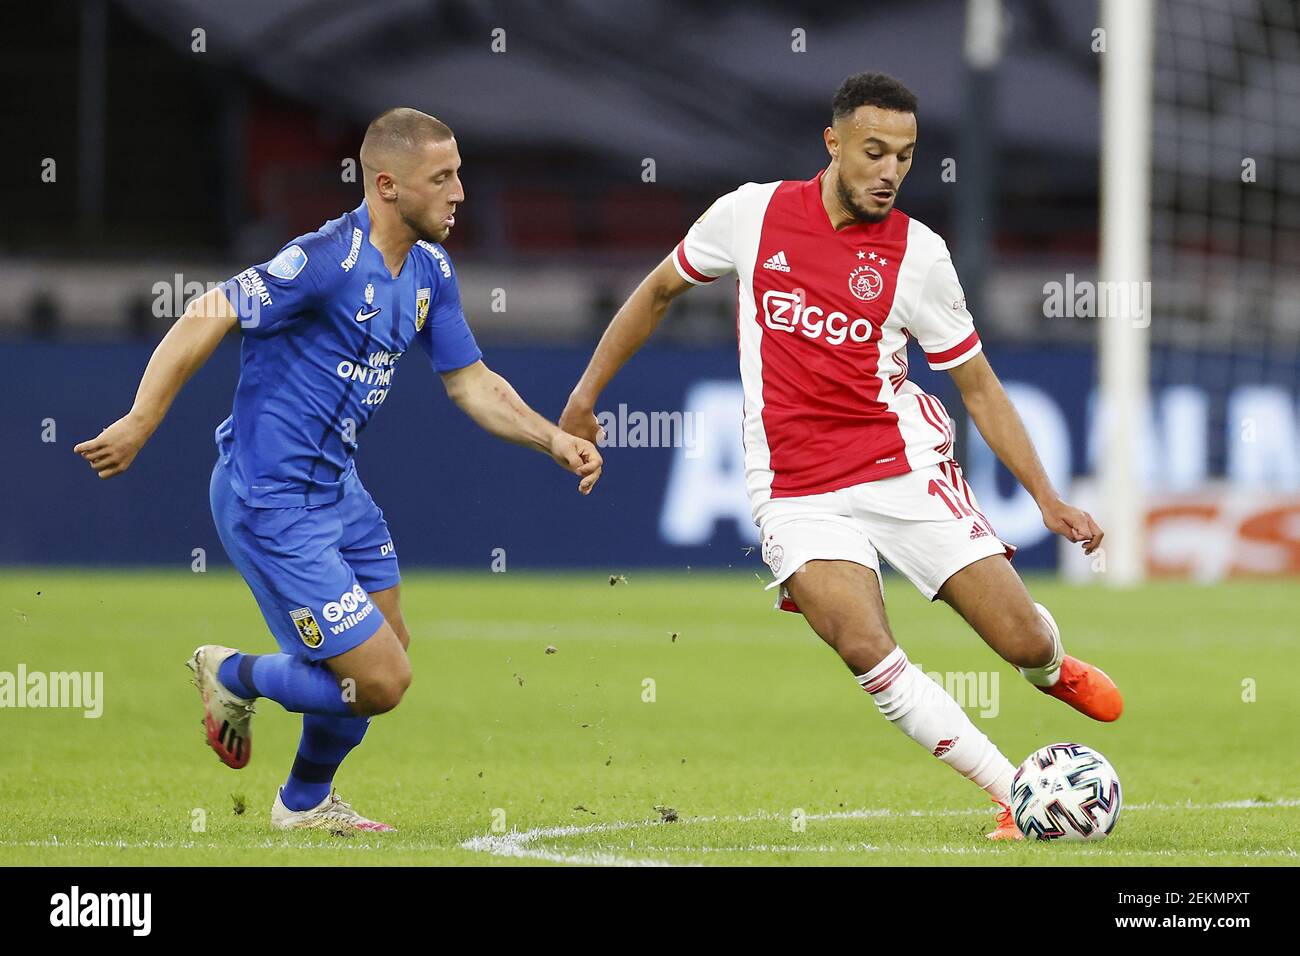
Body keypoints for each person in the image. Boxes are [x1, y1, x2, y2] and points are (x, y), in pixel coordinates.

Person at [559, 73, 1121, 841]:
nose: (889, 171)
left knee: (1017, 636)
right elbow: (657, 291)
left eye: (906, 157)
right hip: (795, 489)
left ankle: (1050, 666)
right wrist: (587, 397)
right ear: (833, 144)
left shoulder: (920, 257)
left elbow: (980, 387)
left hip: (903, 469)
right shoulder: (749, 215)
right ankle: (1010, 793)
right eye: (874, 152)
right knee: (861, 642)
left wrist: (1048, 499)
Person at [74, 108, 603, 832]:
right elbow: (208, 310)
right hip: (271, 501)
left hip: (339, 495)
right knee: (382, 682)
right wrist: (141, 418)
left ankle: (303, 803)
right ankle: (231, 673)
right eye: (441, 178)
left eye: (458, 174)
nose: (460, 193)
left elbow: (471, 381)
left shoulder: (428, 271)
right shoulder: (325, 260)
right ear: (387, 186)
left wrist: (552, 440)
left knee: (385, 652)